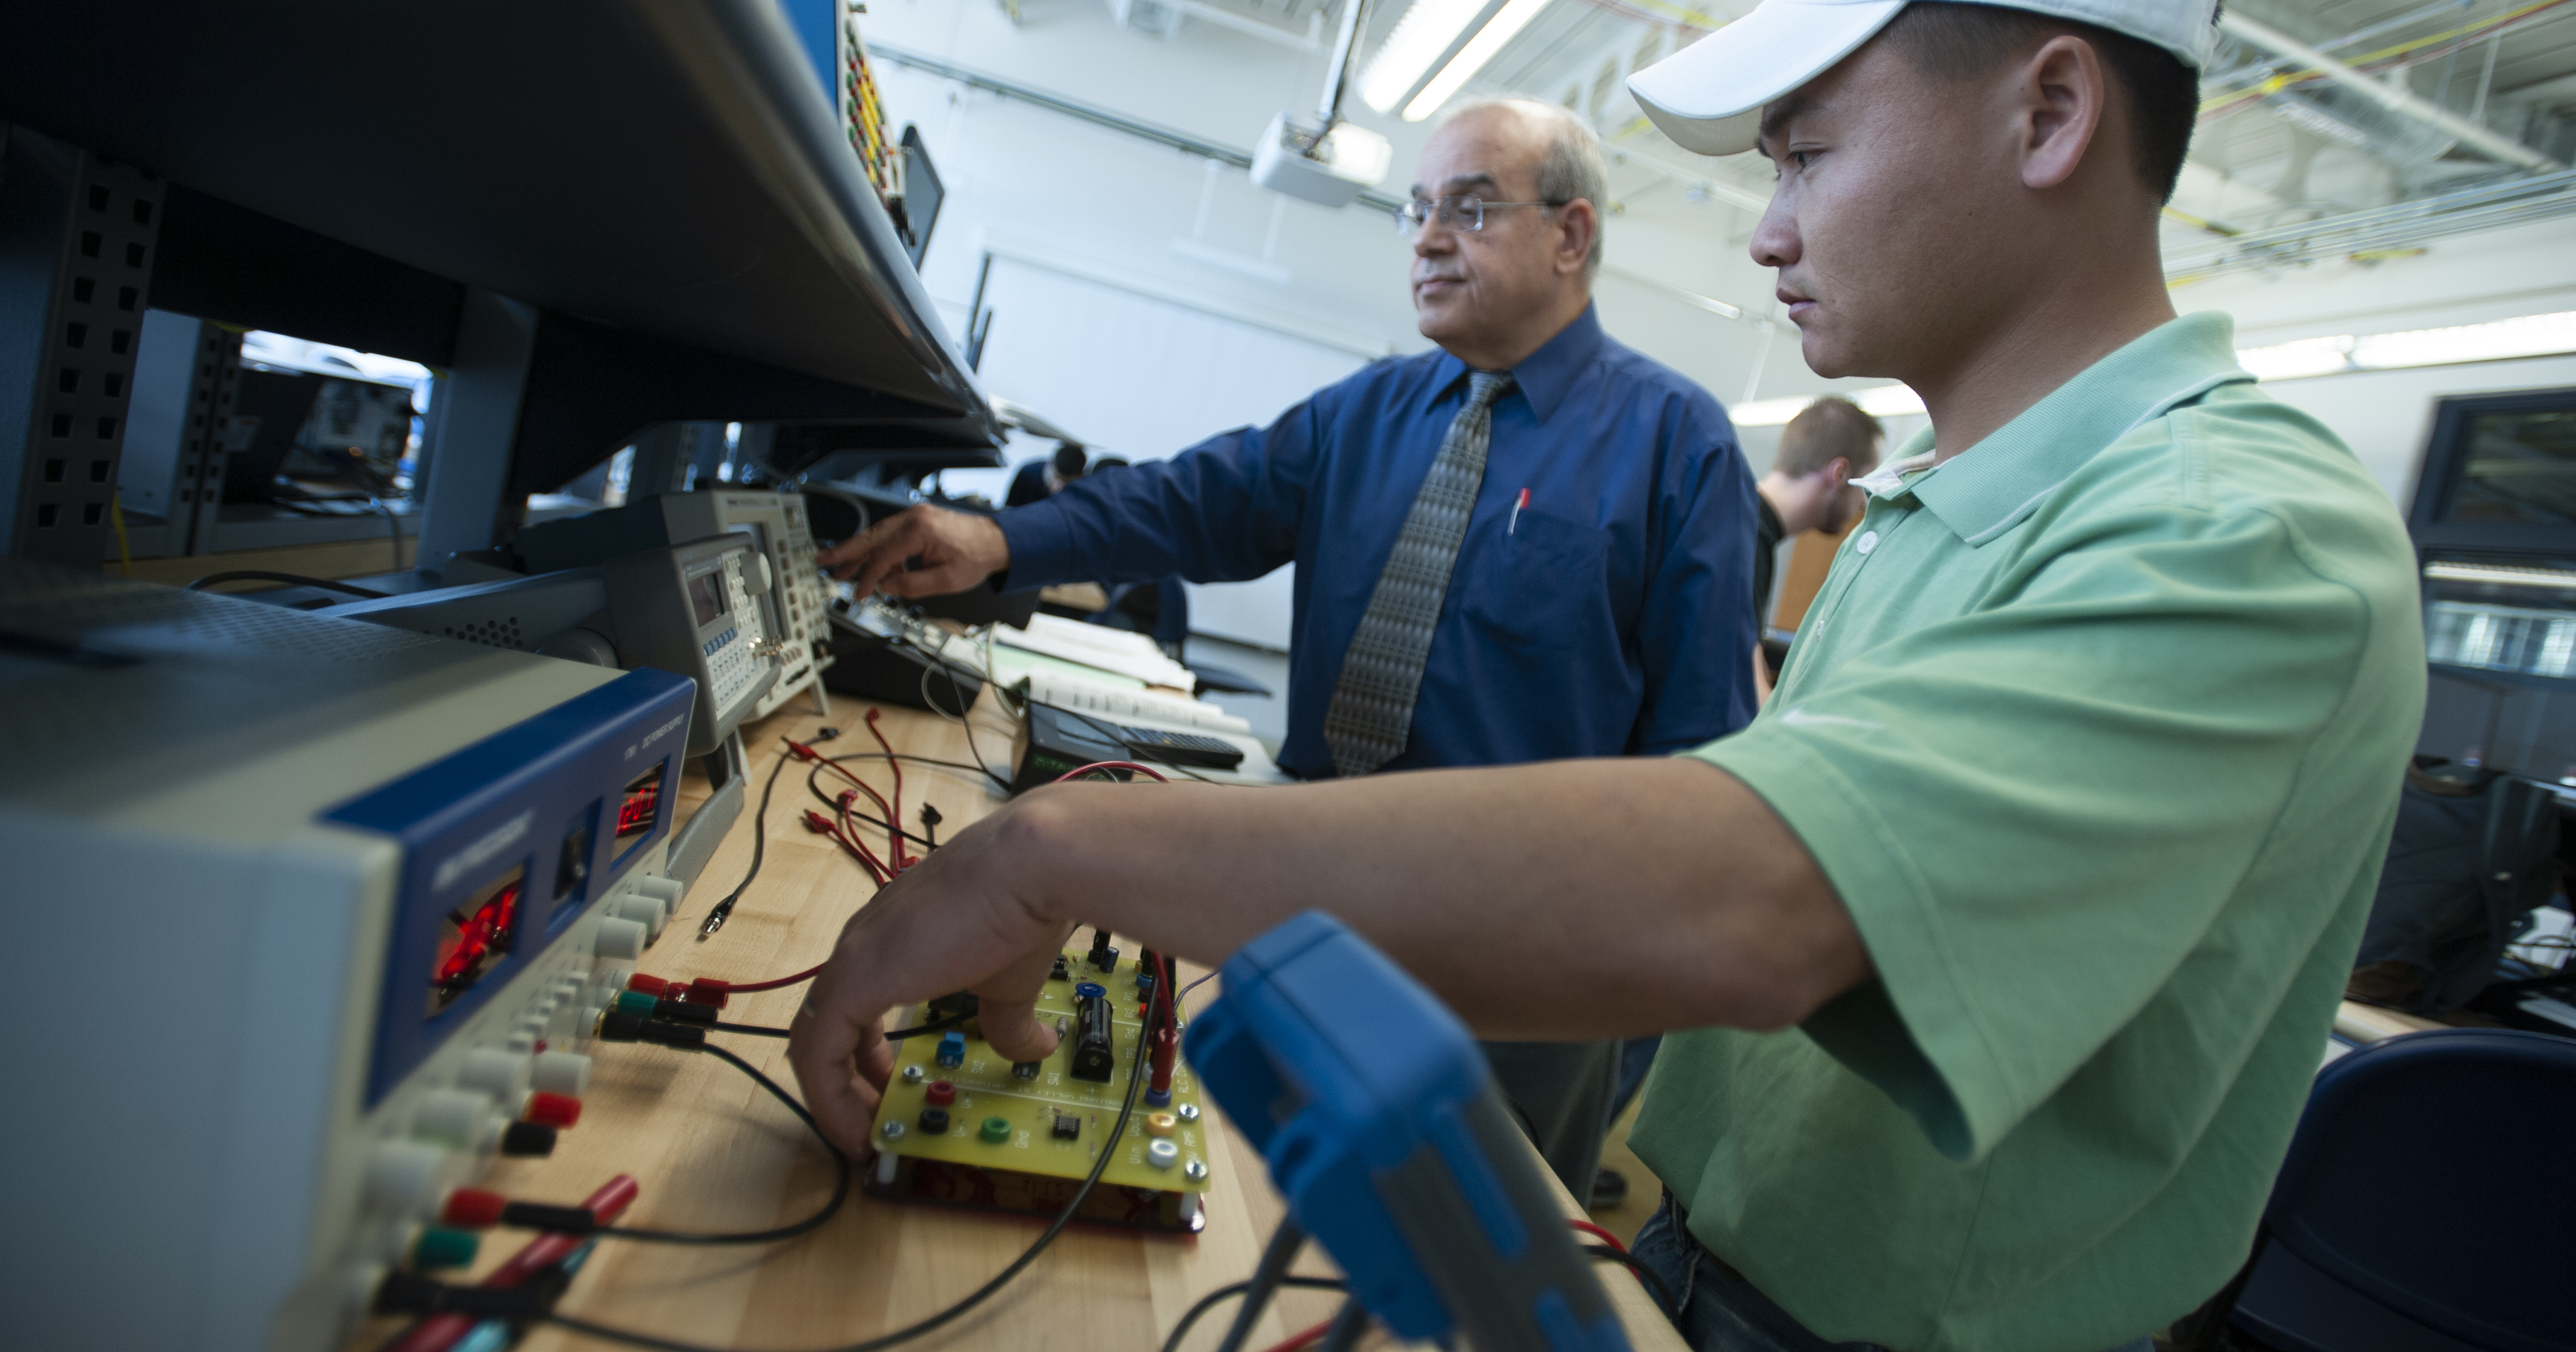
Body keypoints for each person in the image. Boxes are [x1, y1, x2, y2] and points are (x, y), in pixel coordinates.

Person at [795, 2, 2425, 1344]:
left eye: (1808, 155)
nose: (1768, 228)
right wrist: (1006, 545)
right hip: (1685, 1252)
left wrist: (1064, 850)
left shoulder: (2240, 533)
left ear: (2050, 114)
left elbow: (1746, 887)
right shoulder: (1938, 509)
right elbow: (1209, 496)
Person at [818, 97, 1762, 1199]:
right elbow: (1193, 501)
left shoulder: (1677, 444)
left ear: (1571, 234)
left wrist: (1611, 1017)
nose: (1426, 237)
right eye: (1418, 208)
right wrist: (1000, 539)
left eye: (1467, 208)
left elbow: (1700, 770)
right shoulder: (1374, 408)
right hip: (1305, 881)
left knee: (1466, 1239)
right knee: (1255, 1203)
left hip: (1512, 955)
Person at [1752, 395, 1882, 632]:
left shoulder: (1740, 520)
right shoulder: (1748, 542)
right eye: (1863, 485)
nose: (1863, 503)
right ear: (1840, 474)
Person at [1004, 441, 1088, 508]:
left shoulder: (1084, 487)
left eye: (1067, 481)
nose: (1058, 488)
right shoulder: (1027, 474)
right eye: (1057, 477)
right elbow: (1009, 509)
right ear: (1051, 464)